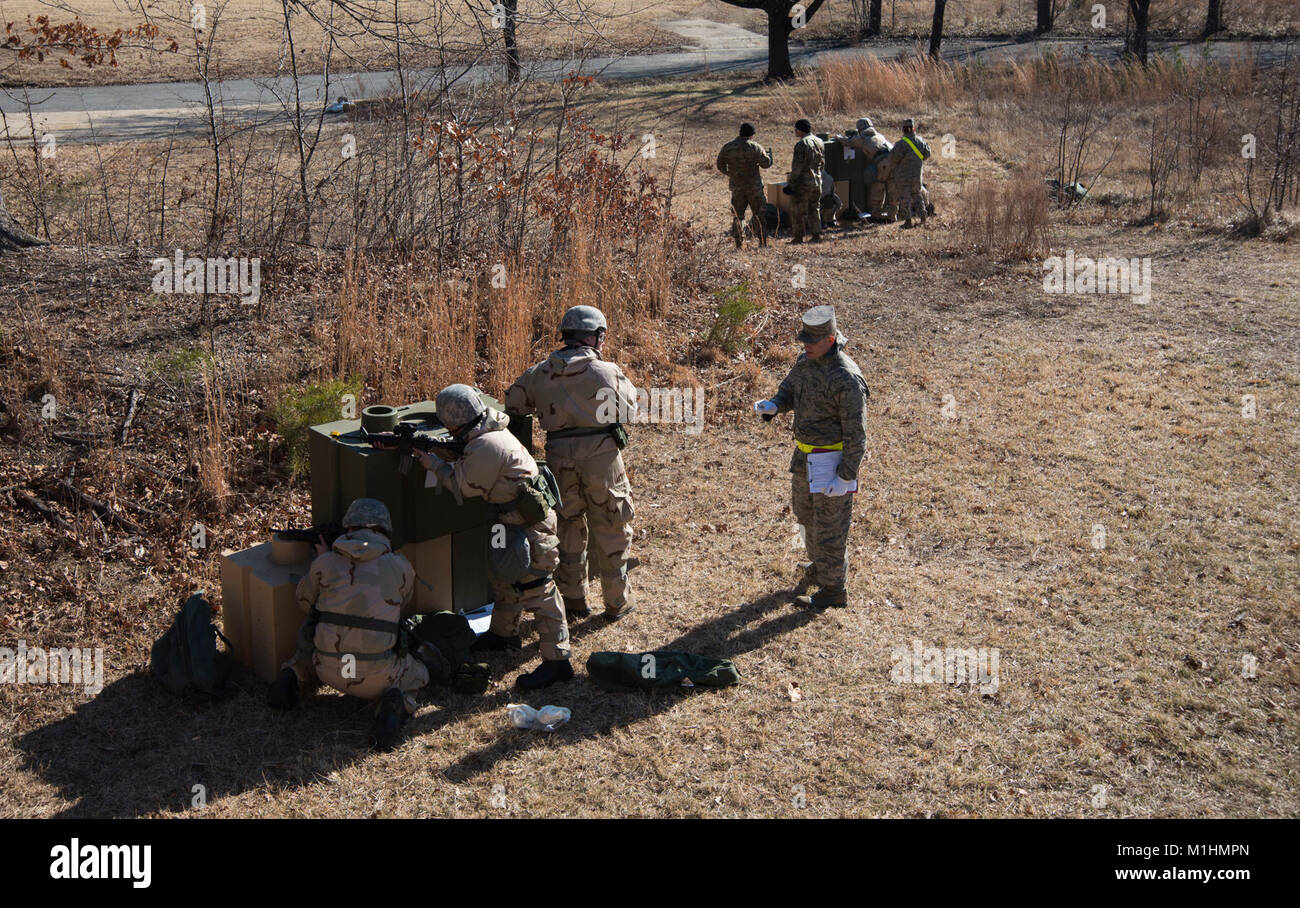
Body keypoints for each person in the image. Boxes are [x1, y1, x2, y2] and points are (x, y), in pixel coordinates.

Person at [416, 384, 574, 689]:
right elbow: (464, 456)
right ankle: (503, 635)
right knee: (504, 578)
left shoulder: (487, 445)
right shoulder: (484, 433)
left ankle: (558, 661)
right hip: (509, 521)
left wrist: (432, 463)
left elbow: (462, 485)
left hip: (530, 526)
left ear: (455, 420)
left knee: (537, 587)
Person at [266, 498, 447, 751]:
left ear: (348, 527)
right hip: (376, 679)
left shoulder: (325, 563)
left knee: (316, 631)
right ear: (384, 529)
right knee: (419, 674)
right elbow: (400, 604)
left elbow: (305, 603)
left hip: (327, 670)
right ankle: (398, 703)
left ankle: (292, 674)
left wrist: (323, 561)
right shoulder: (402, 566)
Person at [505, 306, 638, 623]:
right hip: (601, 459)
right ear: (595, 337)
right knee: (612, 526)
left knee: (567, 526)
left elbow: (514, 402)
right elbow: (630, 411)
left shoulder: (540, 372)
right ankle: (617, 602)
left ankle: (574, 598)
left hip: (558, 459)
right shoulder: (605, 372)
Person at [753, 306, 868, 609]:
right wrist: (775, 405)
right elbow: (789, 389)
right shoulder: (807, 361)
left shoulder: (846, 378)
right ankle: (820, 567)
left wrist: (845, 476)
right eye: (804, 340)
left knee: (830, 528)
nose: (805, 346)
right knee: (806, 518)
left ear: (830, 340)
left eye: (811, 341)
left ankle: (834, 589)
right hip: (804, 460)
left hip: (831, 463)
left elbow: (857, 435)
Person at [716, 122, 775, 248]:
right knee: (759, 214)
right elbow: (765, 164)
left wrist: (731, 174)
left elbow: (720, 165)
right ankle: (762, 242)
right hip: (754, 187)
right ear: (752, 134)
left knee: (738, 216)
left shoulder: (728, 147)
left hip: (737, 187)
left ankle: (738, 243)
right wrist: (770, 157)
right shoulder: (755, 147)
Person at [840, 117, 894, 220]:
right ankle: (892, 215)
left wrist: (838, 137)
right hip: (893, 161)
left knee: (878, 188)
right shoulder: (879, 136)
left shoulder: (862, 138)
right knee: (892, 188)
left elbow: (847, 142)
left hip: (882, 163)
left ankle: (876, 215)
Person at [886, 118, 932, 228]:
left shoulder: (901, 144)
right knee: (918, 195)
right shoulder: (921, 142)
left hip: (903, 177)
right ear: (914, 129)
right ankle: (923, 217)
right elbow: (927, 154)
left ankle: (907, 221)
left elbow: (892, 158)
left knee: (904, 199)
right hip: (917, 176)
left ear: (903, 130)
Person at [787, 119, 825, 244]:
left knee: (799, 211)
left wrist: (791, 184)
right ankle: (816, 235)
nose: (794, 131)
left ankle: (798, 237)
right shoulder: (819, 141)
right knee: (814, 209)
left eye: (796, 129)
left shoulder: (801, 144)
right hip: (817, 180)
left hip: (803, 183)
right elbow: (822, 162)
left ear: (800, 129)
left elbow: (797, 167)